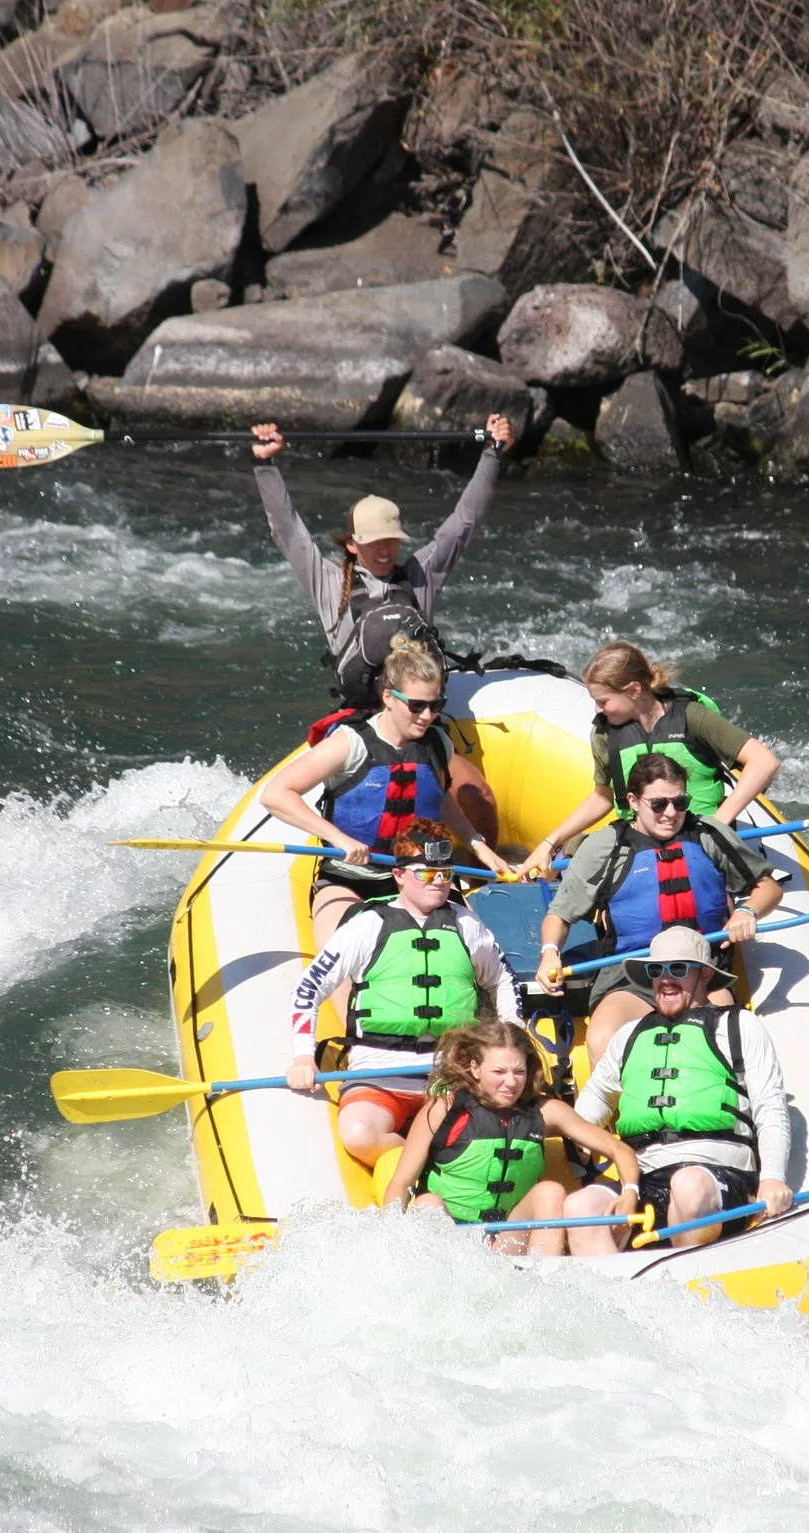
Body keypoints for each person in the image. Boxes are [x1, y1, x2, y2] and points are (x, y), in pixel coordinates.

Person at [285, 821, 521, 1166]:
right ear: (399, 876)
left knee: (483, 1138)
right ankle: (420, 1162)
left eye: (445, 873)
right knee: (358, 1133)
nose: (439, 883)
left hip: (451, 1073)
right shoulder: (367, 926)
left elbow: (502, 981)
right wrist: (304, 1056)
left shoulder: (468, 927)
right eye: (427, 875)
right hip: (376, 1074)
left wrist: (512, 1038)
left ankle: (432, 1163)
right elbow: (308, 989)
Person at [250, 413, 517, 713]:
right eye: (373, 541)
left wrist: (492, 454)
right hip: (365, 716)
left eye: (391, 539)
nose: (384, 549)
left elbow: (465, 521)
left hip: (421, 716)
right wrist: (265, 464)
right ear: (351, 544)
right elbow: (286, 529)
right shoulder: (328, 581)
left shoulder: (421, 575)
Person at [259, 637, 511, 945]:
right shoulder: (349, 744)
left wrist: (478, 846)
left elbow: (437, 798)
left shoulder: (438, 743)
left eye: (436, 705)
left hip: (424, 875)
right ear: (389, 697)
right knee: (344, 955)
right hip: (352, 879)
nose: (427, 716)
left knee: (473, 949)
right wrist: (340, 839)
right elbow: (276, 794)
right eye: (417, 705)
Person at [534, 753, 782, 1063]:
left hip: (700, 972)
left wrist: (747, 911)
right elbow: (559, 915)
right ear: (634, 801)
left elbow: (768, 888)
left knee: (722, 1037)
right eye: (659, 804)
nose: (671, 814)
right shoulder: (606, 847)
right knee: (603, 1039)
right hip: (630, 976)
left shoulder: (708, 835)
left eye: (680, 803)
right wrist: (549, 952)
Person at [563, 927, 794, 1255]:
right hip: (644, 1179)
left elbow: (770, 1106)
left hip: (717, 1178)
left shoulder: (740, 1026)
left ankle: (692, 1285)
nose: (666, 979)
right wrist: (578, 1137)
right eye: (656, 971)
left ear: (703, 974)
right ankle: (614, 1298)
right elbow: (598, 1096)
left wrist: (772, 1176)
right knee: (580, 1206)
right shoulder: (629, 1034)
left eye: (678, 969)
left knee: (688, 1185)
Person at [382, 1018, 643, 1256]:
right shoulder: (443, 1109)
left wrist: (630, 1191)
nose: (511, 1083)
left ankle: (544, 1281)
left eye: (518, 1072)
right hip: (451, 1240)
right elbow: (401, 1183)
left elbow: (618, 1150)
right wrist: (387, 1240)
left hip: (507, 1239)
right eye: (499, 1072)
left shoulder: (546, 1111)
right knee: (428, 1204)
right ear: (475, 1068)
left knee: (549, 1191)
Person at [523, 642, 780, 877]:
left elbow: (764, 762)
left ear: (634, 690)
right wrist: (550, 841)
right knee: (572, 856)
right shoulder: (604, 733)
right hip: (641, 840)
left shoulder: (691, 716)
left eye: (603, 701)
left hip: (698, 834)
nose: (597, 710)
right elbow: (603, 796)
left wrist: (718, 825)